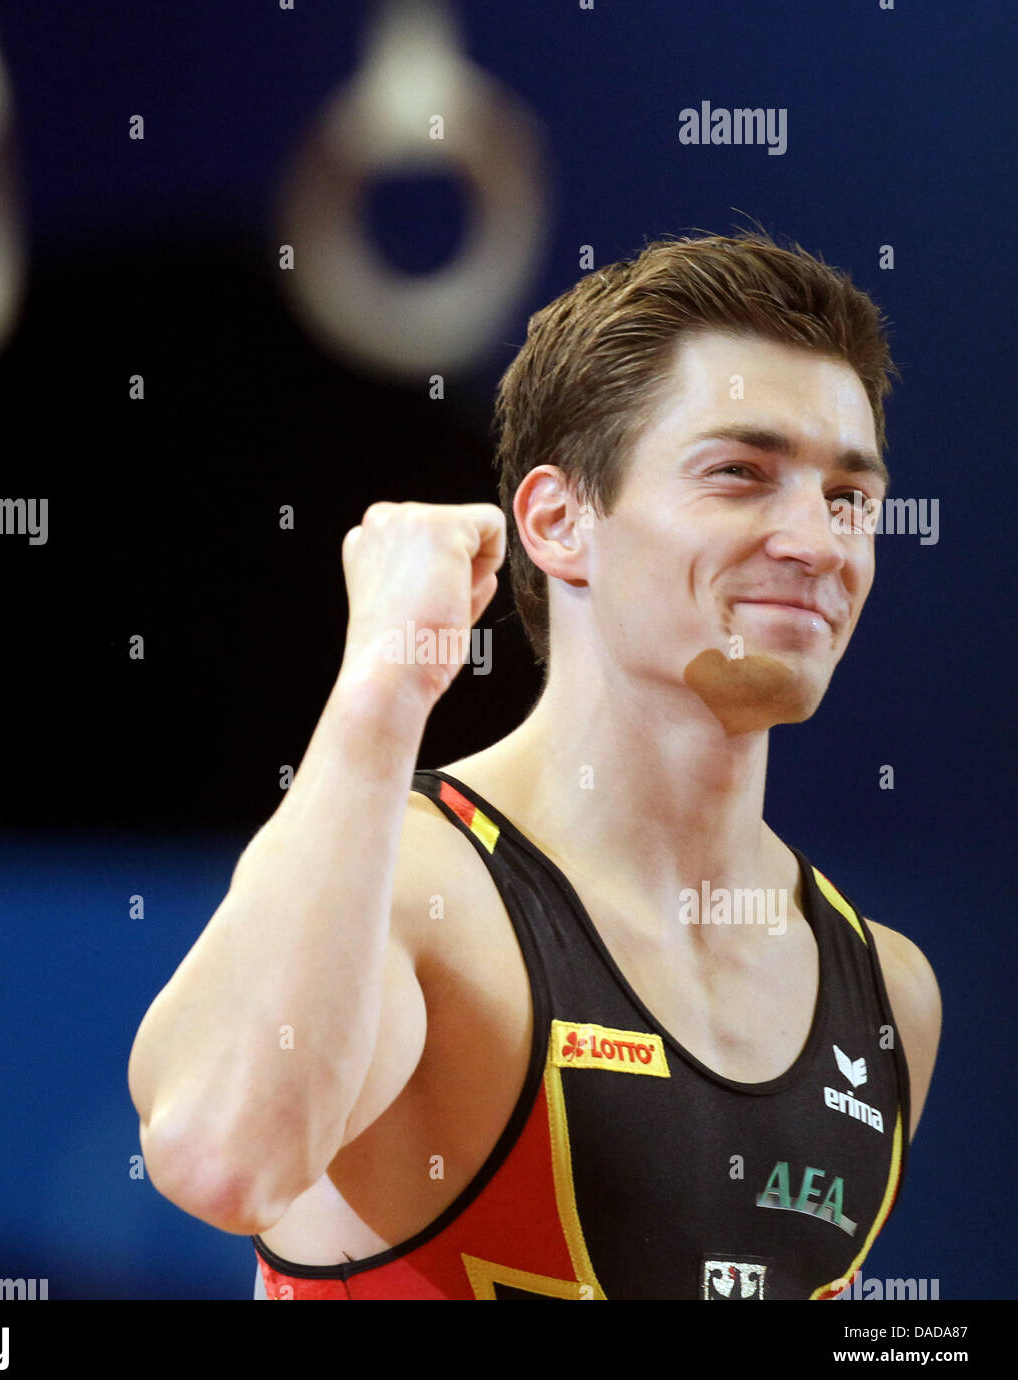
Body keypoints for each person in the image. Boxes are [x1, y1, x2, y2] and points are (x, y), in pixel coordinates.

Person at [128, 231, 941, 1299]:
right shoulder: (417, 889)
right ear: (558, 524)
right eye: (740, 475)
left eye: (847, 498)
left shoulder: (886, 993)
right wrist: (383, 684)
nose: (818, 542)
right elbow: (221, 1156)